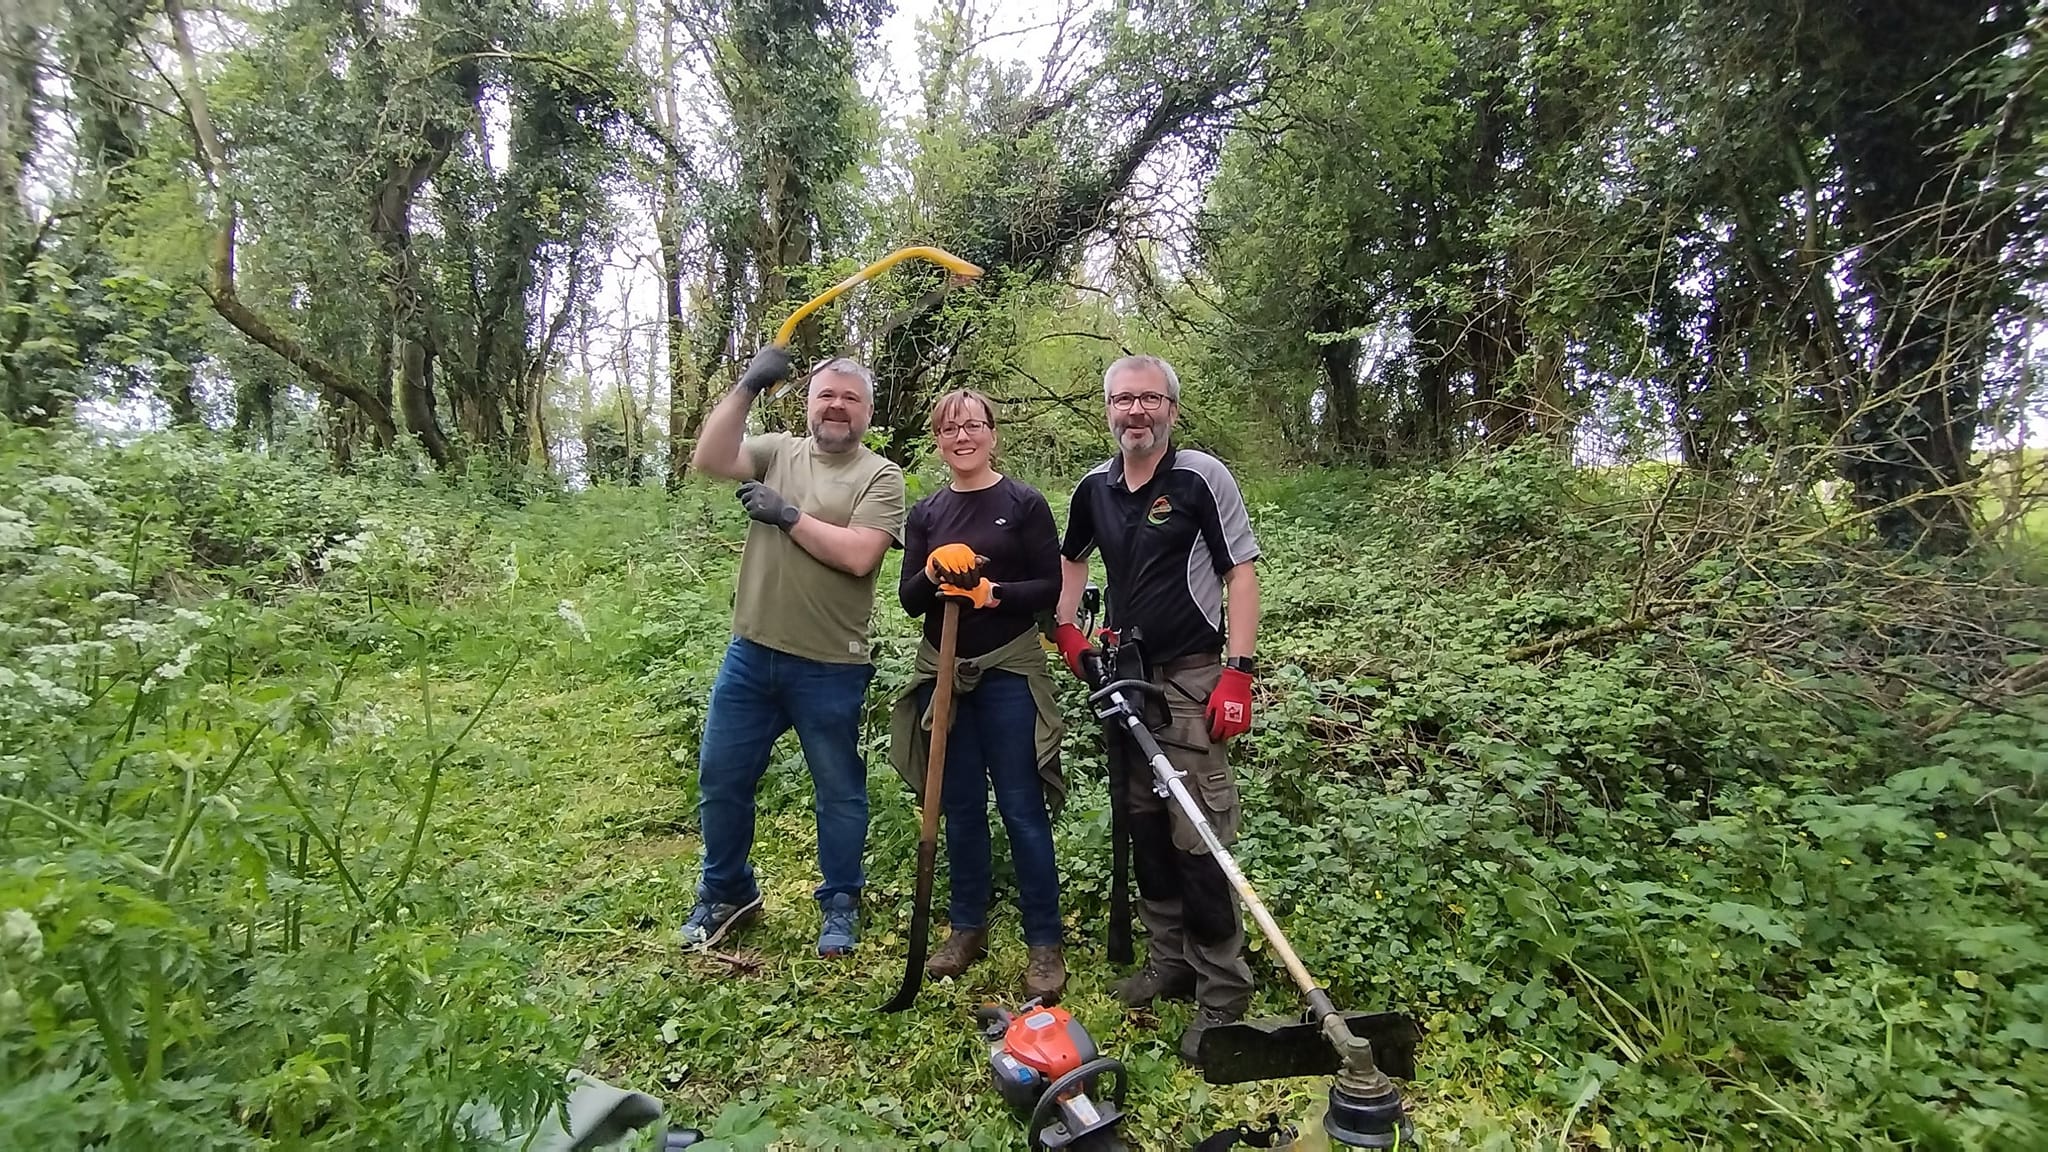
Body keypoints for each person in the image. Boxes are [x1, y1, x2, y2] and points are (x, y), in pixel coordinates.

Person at [1052, 354, 1262, 1064]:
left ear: (1171, 408)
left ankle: (1222, 993)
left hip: (1193, 680)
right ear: (1107, 408)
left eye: (1149, 399)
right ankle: (1169, 963)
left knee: (1197, 838)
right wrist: (1068, 630)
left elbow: (1240, 573)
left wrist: (1238, 675)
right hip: (1126, 682)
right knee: (1145, 830)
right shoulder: (1095, 487)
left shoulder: (1201, 477)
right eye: (1123, 399)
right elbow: (1072, 559)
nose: (1135, 411)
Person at [681, 345, 907, 957]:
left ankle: (840, 902)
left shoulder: (881, 475)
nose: (837, 406)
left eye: (851, 399)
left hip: (832, 663)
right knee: (722, 778)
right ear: (807, 403)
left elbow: (859, 555)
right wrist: (747, 386)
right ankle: (728, 892)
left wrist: (787, 515)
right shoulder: (778, 451)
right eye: (826, 395)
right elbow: (709, 458)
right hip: (751, 653)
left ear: (867, 412)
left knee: (838, 791)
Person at [889, 390, 1069, 1002]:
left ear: (992, 433)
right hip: (945, 674)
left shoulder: (1023, 503)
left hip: (1008, 672)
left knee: (1021, 806)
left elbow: (1048, 586)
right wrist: (932, 571)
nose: (962, 436)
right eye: (949, 428)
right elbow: (909, 600)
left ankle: (1044, 941)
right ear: (938, 441)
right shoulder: (927, 513)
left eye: (972, 425)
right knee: (960, 806)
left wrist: (992, 594)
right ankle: (967, 928)